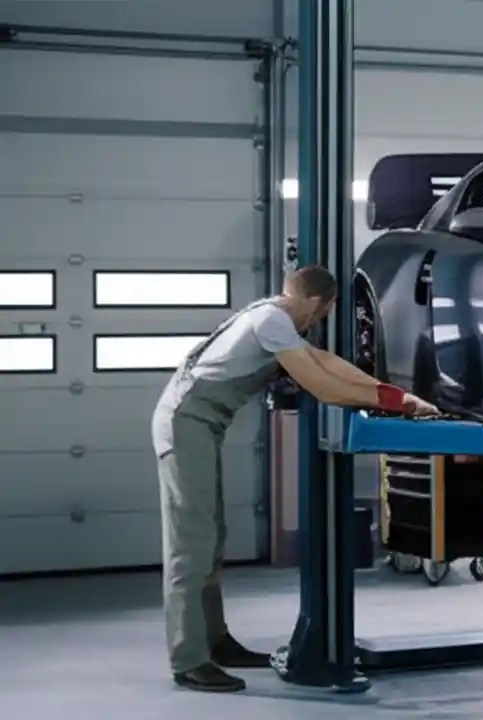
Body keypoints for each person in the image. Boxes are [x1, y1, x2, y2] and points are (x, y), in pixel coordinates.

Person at [150, 265, 437, 692]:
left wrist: (394, 393)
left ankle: (215, 642)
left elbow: (325, 362)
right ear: (321, 304)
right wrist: (401, 407)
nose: (313, 326)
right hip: (184, 422)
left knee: (211, 537)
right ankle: (189, 660)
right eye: (317, 318)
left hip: (197, 423)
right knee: (192, 544)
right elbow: (325, 386)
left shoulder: (271, 313)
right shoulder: (273, 321)